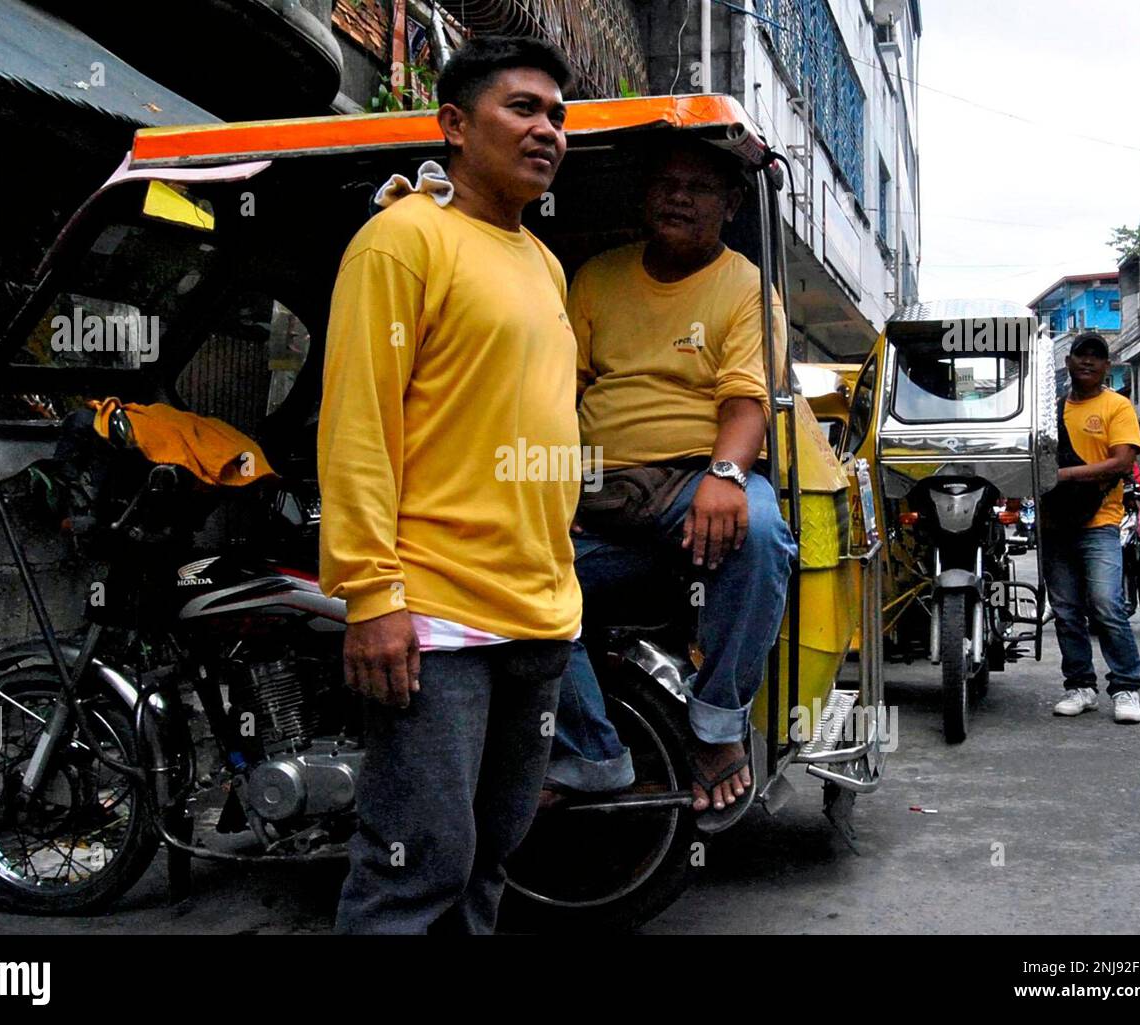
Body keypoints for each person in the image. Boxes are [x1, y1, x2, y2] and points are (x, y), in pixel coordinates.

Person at [317, 36, 581, 934]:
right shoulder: (402, 242)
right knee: (414, 869)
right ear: (455, 126)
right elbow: (358, 427)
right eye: (523, 108)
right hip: (433, 615)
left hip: (538, 613)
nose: (548, 128)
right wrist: (373, 595)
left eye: (557, 114)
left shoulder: (543, 265)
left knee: (489, 861)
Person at [543, 138, 797, 824]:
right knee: (507, 575)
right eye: (667, 183)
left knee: (764, 531)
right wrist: (548, 492)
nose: (680, 197)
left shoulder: (745, 285)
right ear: (645, 196)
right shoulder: (596, 278)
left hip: (696, 478)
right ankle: (593, 753)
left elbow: (747, 401)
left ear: (731, 204)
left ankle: (716, 730)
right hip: (603, 486)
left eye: (699, 187)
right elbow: (556, 396)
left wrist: (723, 473)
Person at [1045, 331, 1140, 723]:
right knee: (1067, 611)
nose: (1087, 361)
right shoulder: (1052, 410)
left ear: (1106, 366)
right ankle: (1080, 687)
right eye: (1080, 355)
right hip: (1055, 523)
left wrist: (1064, 474)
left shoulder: (1117, 406)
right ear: (1068, 362)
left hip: (1100, 520)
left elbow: (1122, 462)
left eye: (1096, 356)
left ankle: (1125, 688)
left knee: (1106, 604)